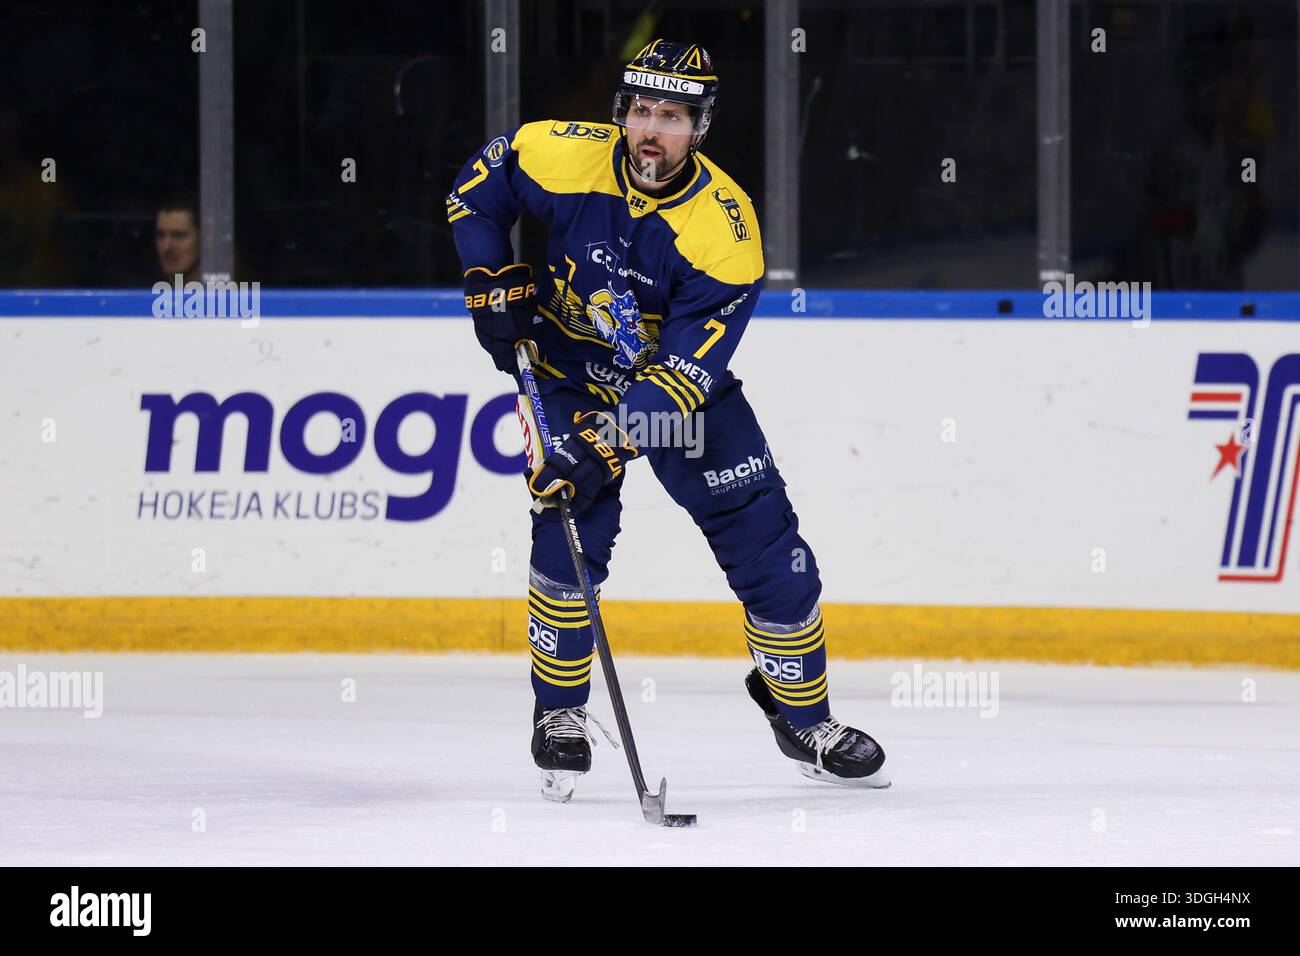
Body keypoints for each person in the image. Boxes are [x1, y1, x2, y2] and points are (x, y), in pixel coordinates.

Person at [448, 39, 888, 800]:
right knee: (568, 530)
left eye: (674, 116)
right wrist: (489, 278)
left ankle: (802, 718)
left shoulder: (726, 231)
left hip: (678, 402)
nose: (654, 129)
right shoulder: (557, 152)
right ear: (621, 113)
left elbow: (680, 381)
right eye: (642, 110)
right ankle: (558, 715)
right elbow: (476, 190)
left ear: (701, 127)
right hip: (568, 374)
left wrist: (602, 444)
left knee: (768, 547)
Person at [155, 194, 200, 283]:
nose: (166, 247)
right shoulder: (144, 294)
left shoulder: (228, 295)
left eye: (178, 236)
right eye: (161, 235)